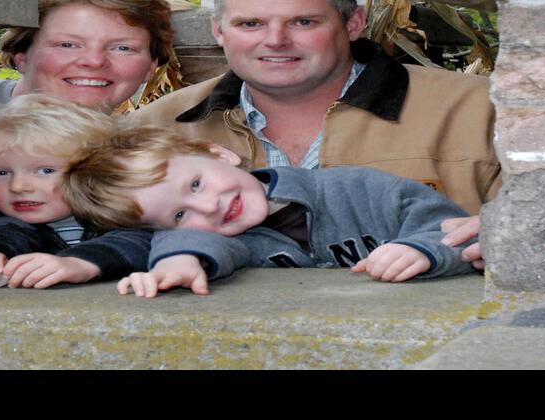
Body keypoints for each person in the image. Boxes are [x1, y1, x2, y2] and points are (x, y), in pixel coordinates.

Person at [128, 0, 498, 268]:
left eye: (303, 22)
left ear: (354, 23)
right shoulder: (151, 129)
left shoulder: (483, 109)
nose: (275, 40)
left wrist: (502, 232)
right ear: (218, 30)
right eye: (250, 23)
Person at [63, 125, 476, 297]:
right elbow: (187, 243)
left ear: (220, 153)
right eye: (179, 214)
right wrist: (178, 260)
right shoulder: (235, 242)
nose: (209, 207)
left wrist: (424, 250)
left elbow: (466, 234)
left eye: (196, 183)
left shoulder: (362, 188)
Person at [0, 95, 150, 289]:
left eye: (46, 170)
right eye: (1, 172)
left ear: (93, 172)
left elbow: (138, 241)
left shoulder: (118, 209)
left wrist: (81, 263)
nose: (18, 186)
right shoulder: (2, 220)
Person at [0, 0, 174, 112]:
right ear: (22, 56)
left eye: (123, 48)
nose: (94, 61)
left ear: (151, 66)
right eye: (68, 45)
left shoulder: (138, 160)